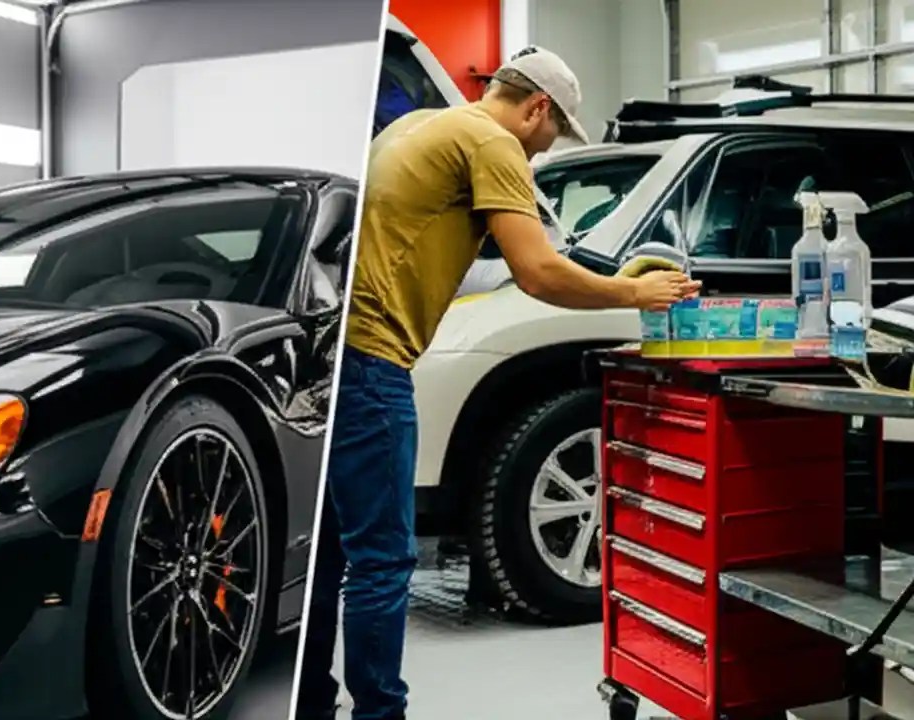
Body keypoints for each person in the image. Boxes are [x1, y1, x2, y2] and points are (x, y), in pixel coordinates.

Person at [295, 46, 701, 720]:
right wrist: (634, 293)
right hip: (373, 363)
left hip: (329, 357)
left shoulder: (420, 126)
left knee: (333, 555)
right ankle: (379, 714)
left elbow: (443, 243)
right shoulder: (494, 143)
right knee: (384, 561)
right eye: (552, 135)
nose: (544, 152)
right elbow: (539, 273)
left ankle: (310, 702)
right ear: (537, 107)